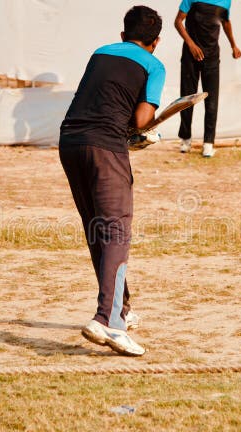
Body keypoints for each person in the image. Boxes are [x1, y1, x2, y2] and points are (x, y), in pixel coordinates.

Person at [58, 6, 165, 356]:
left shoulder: (100, 53)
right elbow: (141, 116)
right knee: (116, 230)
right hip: (105, 147)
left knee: (97, 229)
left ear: (123, 35)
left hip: (70, 141)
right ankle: (108, 321)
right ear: (156, 42)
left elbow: (102, 98)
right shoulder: (154, 64)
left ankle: (123, 309)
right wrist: (144, 130)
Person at [175, 0, 241, 157]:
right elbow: (178, 22)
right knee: (187, 97)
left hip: (211, 57)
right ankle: (185, 139)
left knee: (211, 101)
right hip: (190, 56)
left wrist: (234, 45)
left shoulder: (225, 2)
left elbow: (226, 23)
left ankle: (208, 143)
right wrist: (190, 44)